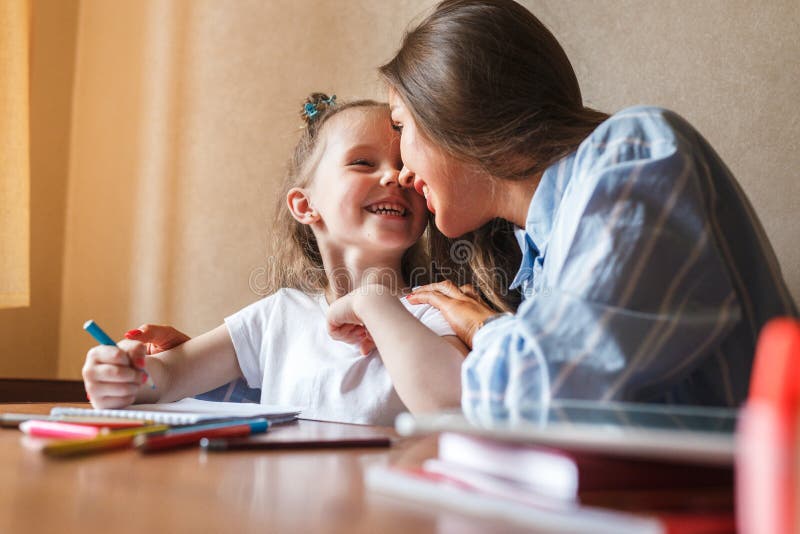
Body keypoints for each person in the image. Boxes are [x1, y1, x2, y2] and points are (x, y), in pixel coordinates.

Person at [332, 0, 799, 423]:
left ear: (454, 108)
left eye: (401, 127)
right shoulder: (542, 249)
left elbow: (543, 398)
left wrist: (481, 327)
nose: (405, 174)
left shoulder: (636, 154)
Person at [81, 94, 468, 426]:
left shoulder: (432, 309)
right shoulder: (277, 318)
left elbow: (449, 405)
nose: (394, 177)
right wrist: (121, 375)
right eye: (363, 163)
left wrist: (373, 302)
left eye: (404, 167)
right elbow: (166, 378)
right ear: (305, 204)